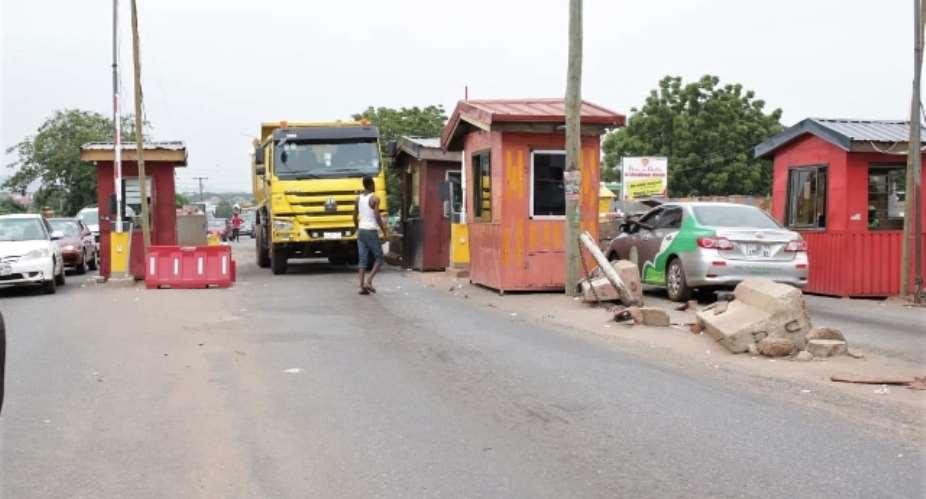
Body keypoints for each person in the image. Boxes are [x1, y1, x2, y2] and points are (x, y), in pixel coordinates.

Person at [353, 175, 386, 295]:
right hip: (371, 231)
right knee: (379, 257)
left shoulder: (358, 199)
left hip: (361, 231)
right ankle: (369, 281)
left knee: (362, 259)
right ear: (371, 184)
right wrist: (384, 231)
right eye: (374, 184)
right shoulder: (374, 199)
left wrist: (357, 227)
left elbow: (354, 216)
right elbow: (377, 217)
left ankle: (361, 287)